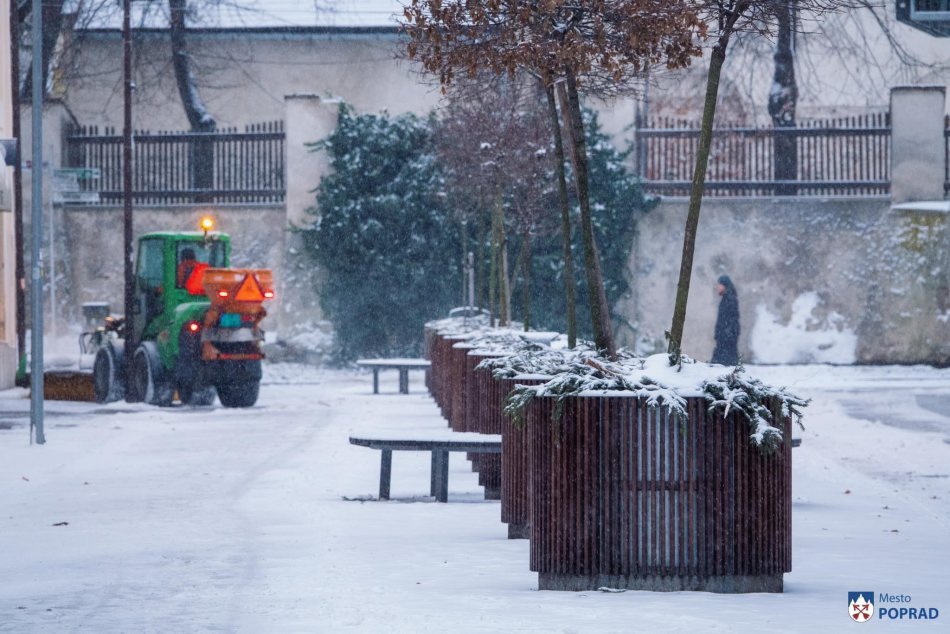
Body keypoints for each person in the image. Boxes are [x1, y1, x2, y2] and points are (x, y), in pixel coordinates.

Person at [711, 274, 740, 366]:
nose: (717, 287)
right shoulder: (727, 298)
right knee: (724, 361)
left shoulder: (730, 299)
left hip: (727, 335)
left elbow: (732, 318)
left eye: (719, 285)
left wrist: (726, 333)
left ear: (725, 285)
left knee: (725, 361)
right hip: (725, 334)